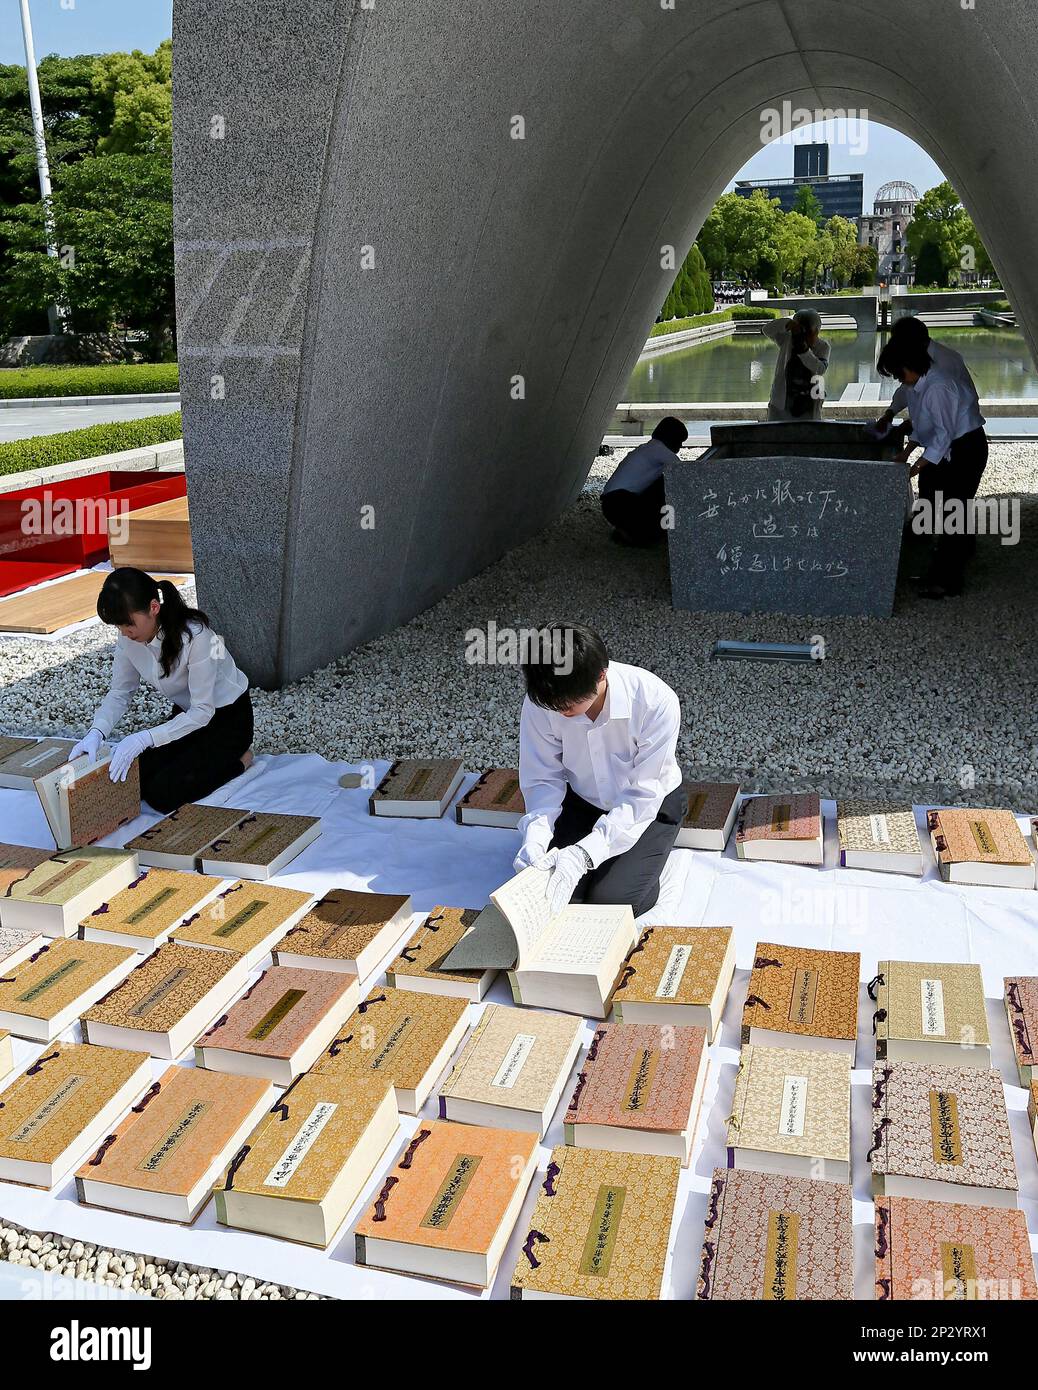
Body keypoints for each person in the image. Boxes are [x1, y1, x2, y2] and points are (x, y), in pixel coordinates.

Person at [513, 623, 684, 918]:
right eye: (553, 705)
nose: (559, 710)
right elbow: (542, 776)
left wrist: (584, 854)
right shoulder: (543, 701)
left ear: (601, 675)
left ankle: (655, 857)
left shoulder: (655, 701)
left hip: (648, 807)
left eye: (568, 705)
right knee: (553, 894)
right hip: (582, 801)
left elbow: (643, 794)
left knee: (613, 902)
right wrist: (536, 837)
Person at [67, 568, 257, 813]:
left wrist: (145, 737)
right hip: (186, 716)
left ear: (153, 607)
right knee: (136, 775)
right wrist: (96, 732)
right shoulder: (128, 639)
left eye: (128, 624)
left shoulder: (199, 637)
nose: (125, 633)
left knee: (164, 795)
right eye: (118, 626)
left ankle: (241, 761)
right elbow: (120, 692)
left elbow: (203, 711)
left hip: (226, 720)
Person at [878, 340, 988, 598]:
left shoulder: (938, 386)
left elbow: (942, 437)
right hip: (949, 447)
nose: (897, 379)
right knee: (936, 501)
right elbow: (924, 426)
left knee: (954, 513)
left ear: (908, 365)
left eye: (897, 373)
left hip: (965, 449)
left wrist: (913, 468)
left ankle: (949, 582)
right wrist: (906, 453)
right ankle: (937, 570)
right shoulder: (918, 384)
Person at [871, 315, 981, 438]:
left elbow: (943, 414)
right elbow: (906, 390)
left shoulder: (945, 362)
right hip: (944, 435)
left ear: (912, 342)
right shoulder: (914, 362)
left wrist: (913, 425)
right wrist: (890, 414)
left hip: (962, 435)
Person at [600, 416, 688, 546]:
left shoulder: (648, 448)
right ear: (671, 439)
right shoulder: (658, 449)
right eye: (680, 442)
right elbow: (685, 471)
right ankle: (638, 534)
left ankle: (629, 532)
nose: (680, 446)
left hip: (612, 503)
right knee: (668, 484)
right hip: (620, 502)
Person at [763, 309, 830, 421]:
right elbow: (766, 329)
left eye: (810, 332)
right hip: (782, 401)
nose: (806, 336)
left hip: (809, 402)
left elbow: (820, 369)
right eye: (802, 332)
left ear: (817, 331)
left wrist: (803, 350)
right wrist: (787, 324)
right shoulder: (786, 339)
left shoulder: (823, 346)